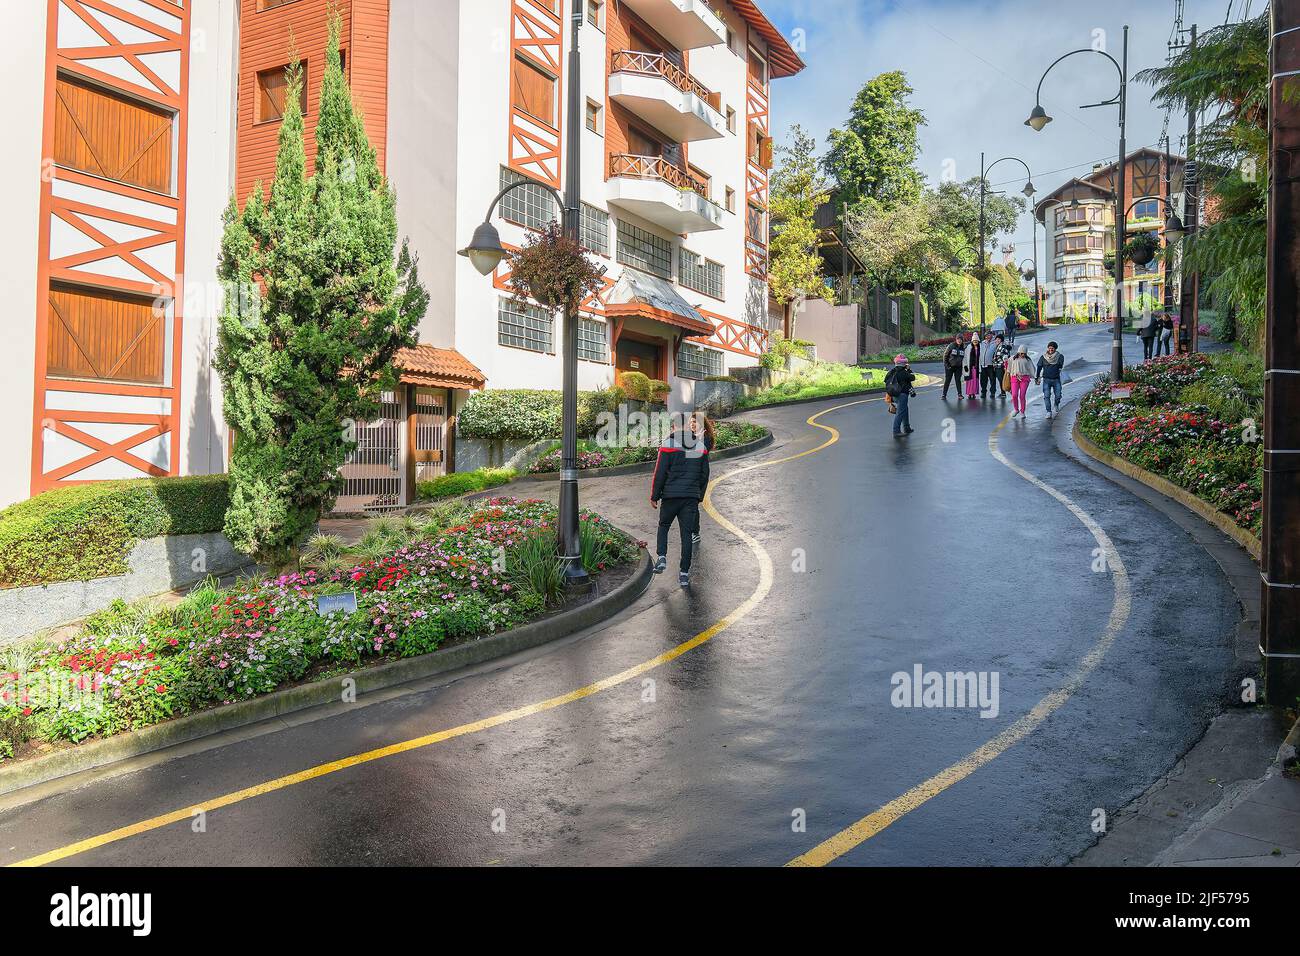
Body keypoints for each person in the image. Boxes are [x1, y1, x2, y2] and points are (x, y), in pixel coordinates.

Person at [650, 412, 710, 587]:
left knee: (664, 526)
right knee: (687, 535)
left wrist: (654, 496)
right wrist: (698, 495)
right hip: (690, 498)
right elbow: (705, 475)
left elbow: (659, 473)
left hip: (670, 497)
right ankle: (684, 574)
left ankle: (661, 556)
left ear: (674, 427)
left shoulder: (668, 444)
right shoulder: (700, 446)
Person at [885, 354, 916, 438]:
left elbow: (885, 380)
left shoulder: (891, 372)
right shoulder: (904, 372)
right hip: (902, 394)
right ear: (904, 363)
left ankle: (907, 427)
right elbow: (912, 377)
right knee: (900, 412)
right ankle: (896, 431)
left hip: (893, 394)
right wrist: (909, 370)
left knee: (904, 409)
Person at [1036, 340, 1066, 420]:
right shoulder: (1043, 357)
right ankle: (1048, 411)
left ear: (1055, 349)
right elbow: (1039, 367)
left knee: (1058, 395)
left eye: (1052, 348)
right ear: (1047, 348)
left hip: (1056, 379)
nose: (1050, 350)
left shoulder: (1060, 356)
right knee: (1046, 396)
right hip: (1046, 379)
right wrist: (1037, 377)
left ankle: (1056, 404)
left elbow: (1060, 366)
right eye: (1049, 348)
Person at [1008, 344, 1034, 418]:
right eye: (1021, 353)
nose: (1022, 354)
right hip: (1014, 378)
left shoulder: (1028, 360)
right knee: (1014, 395)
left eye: (1024, 353)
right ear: (1018, 352)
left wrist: (1035, 377)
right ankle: (1016, 409)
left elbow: (1032, 369)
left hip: (1024, 378)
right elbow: (1008, 367)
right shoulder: (1012, 358)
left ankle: (1022, 411)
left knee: (1022, 395)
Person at [942, 334, 965, 399]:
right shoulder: (951, 346)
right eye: (958, 339)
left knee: (958, 380)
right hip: (950, 366)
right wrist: (947, 365)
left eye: (960, 339)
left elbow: (964, 357)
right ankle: (944, 395)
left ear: (962, 340)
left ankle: (960, 394)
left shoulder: (963, 347)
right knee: (947, 380)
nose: (959, 340)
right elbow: (945, 356)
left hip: (958, 367)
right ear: (956, 339)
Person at [989, 334, 1011, 398]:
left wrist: (1005, 366)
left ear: (1001, 340)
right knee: (1000, 380)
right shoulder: (998, 346)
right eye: (996, 339)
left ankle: (1003, 393)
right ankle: (1003, 392)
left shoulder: (1002, 347)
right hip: (997, 366)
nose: (997, 340)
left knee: (1001, 380)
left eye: (999, 339)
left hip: (1000, 366)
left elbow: (1006, 357)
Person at [978, 331, 998, 398]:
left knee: (992, 380)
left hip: (991, 365)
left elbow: (1003, 345)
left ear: (992, 336)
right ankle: (983, 392)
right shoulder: (982, 343)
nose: (987, 337)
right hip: (983, 365)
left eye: (989, 335)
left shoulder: (995, 343)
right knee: (983, 381)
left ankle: (992, 392)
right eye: (986, 336)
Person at [964, 333, 981, 400]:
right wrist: (965, 366)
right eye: (974, 341)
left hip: (976, 368)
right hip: (970, 367)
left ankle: (973, 393)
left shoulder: (980, 347)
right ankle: (969, 393)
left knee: (975, 381)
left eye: (976, 341)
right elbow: (965, 357)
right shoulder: (969, 347)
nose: (975, 342)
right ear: (972, 341)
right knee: (969, 381)